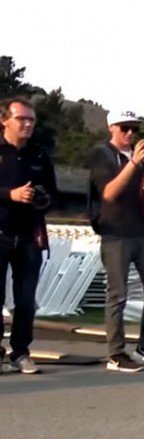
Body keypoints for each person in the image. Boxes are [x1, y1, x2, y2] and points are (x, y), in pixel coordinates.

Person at [87, 109, 144, 372]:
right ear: (112, 128)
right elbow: (109, 192)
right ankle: (116, 353)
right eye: (124, 128)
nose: (130, 134)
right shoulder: (103, 154)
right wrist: (133, 163)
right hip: (115, 233)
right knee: (117, 295)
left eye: (134, 129)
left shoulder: (142, 159)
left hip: (143, 231)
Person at [0, 97, 57, 375]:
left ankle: (20, 352)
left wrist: (41, 199)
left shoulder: (39, 154)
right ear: (4, 120)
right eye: (21, 118)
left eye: (31, 120)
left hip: (28, 236)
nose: (27, 124)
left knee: (25, 299)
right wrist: (10, 194)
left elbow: (52, 193)